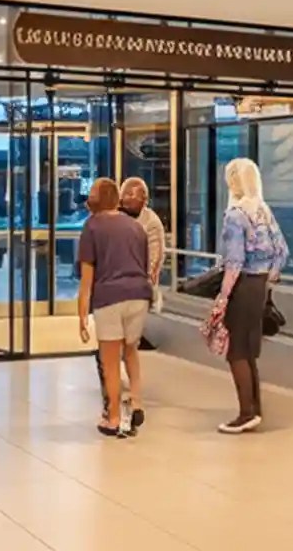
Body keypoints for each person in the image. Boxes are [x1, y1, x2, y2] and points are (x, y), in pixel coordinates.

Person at [211, 158, 289, 434]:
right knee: (249, 349)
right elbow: (282, 252)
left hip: (242, 286)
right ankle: (254, 410)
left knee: (236, 352)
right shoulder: (263, 212)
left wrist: (222, 297)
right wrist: (269, 277)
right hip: (259, 287)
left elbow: (233, 262)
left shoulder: (235, 216)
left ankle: (246, 413)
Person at [77, 178, 152, 437]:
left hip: (110, 297)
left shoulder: (92, 226)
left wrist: (82, 316)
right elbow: (144, 266)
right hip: (139, 295)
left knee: (109, 359)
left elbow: (87, 278)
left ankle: (113, 418)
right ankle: (137, 401)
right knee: (131, 350)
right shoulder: (136, 227)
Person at [90, 177, 166, 416]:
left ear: (144, 199)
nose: (128, 199)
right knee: (116, 348)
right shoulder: (110, 219)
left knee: (125, 346)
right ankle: (118, 396)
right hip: (113, 290)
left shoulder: (150, 224)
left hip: (132, 291)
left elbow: (154, 260)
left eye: (134, 196)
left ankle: (125, 402)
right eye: (125, 195)